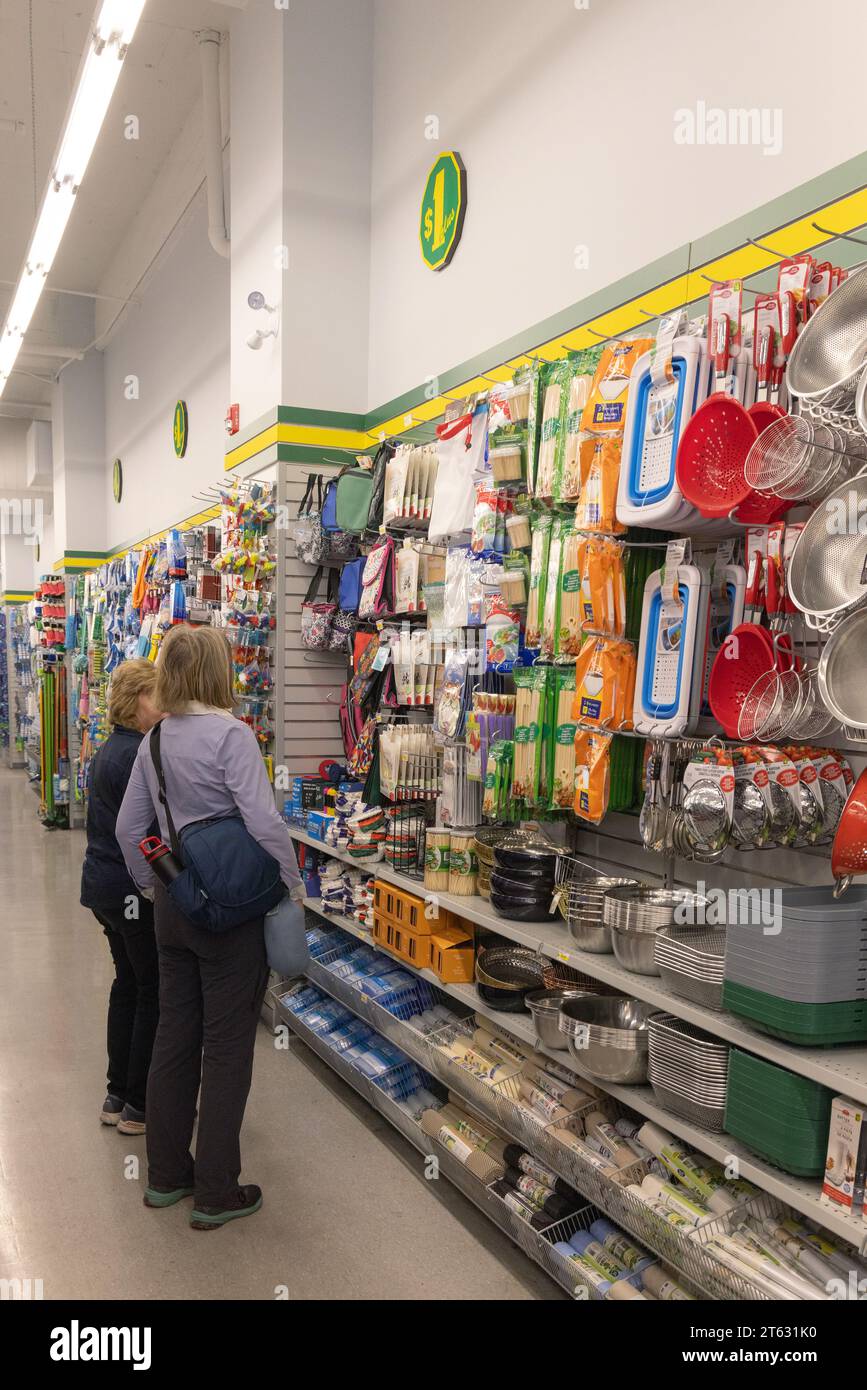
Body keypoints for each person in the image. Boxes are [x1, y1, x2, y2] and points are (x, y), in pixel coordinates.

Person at [116, 624, 302, 1231]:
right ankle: (218, 1190)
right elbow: (264, 822)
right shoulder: (232, 735)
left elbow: (130, 830)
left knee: (174, 1035)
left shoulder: (156, 740)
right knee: (226, 1048)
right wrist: (292, 880)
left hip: (175, 906)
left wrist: (155, 887)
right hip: (229, 912)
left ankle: (167, 1176)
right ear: (218, 671)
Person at [80, 659, 162, 1137]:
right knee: (151, 988)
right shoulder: (138, 755)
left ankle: (117, 1093)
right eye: (156, 697)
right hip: (130, 890)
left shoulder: (112, 749)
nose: (165, 706)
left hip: (104, 886)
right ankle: (139, 1104)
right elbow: (143, 831)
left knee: (128, 984)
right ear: (134, 703)